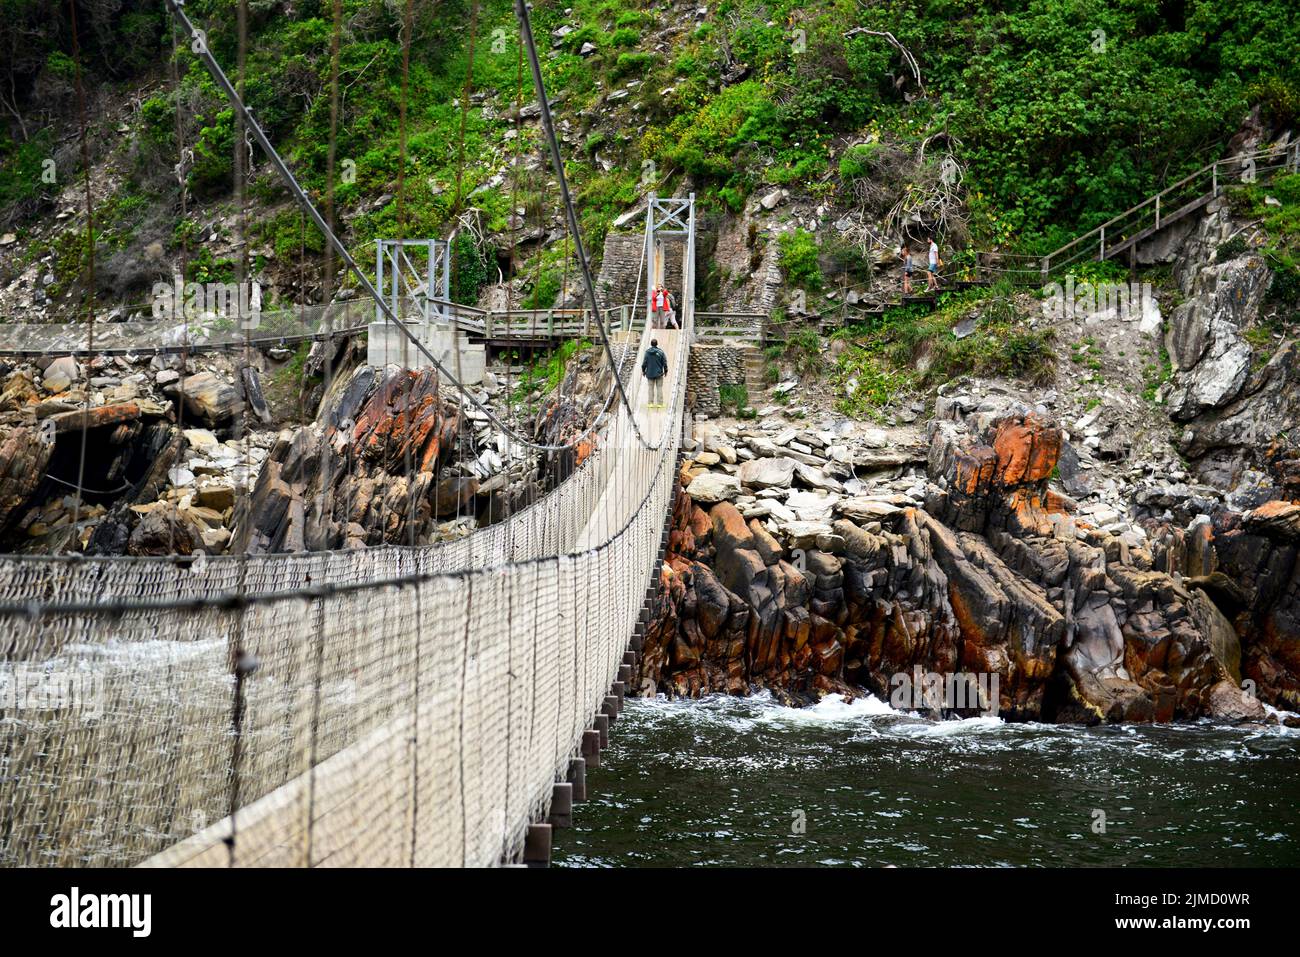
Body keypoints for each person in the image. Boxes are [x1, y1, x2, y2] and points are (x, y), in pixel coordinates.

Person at [642, 337, 668, 408]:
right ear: (657, 344)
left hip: (649, 373)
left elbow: (644, 363)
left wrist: (643, 371)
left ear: (651, 344)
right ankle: (660, 404)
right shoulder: (661, 352)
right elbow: (665, 362)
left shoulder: (647, 352)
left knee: (650, 388)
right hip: (659, 373)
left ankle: (650, 403)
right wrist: (666, 371)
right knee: (659, 388)